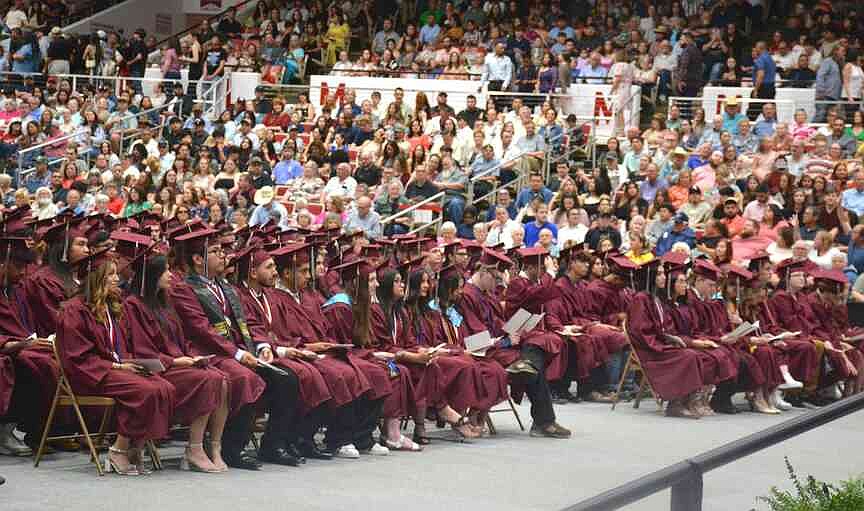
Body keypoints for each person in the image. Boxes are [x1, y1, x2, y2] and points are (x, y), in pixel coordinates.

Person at [167, 228, 298, 470]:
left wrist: (261, 346)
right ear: (198, 259)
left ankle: (273, 444)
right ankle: (230, 448)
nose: (224, 256)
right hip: (208, 353)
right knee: (246, 377)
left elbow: (248, 321)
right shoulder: (185, 289)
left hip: (238, 350)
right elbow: (202, 329)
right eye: (216, 252)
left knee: (286, 378)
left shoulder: (227, 288)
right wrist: (237, 353)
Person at [56, 249, 176, 475]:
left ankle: (136, 448)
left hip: (113, 371)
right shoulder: (74, 310)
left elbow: (118, 349)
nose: (116, 278)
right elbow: (78, 358)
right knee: (145, 390)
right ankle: (118, 450)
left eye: (115, 274)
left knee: (164, 386)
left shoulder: (111, 307)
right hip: (88, 375)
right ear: (95, 278)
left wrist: (133, 364)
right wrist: (119, 366)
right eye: (110, 274)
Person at [123, 253, 229, 473]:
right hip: (158, 369)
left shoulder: (165, 304)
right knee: (208, 379)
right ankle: (195, 449)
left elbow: (183, 341)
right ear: (151, 275)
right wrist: (176, 361)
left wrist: (193, 356)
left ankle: (209, 448)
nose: (171, 275)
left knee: (221, 378)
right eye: (165, 270)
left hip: (179, 365)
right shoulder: (133, 305)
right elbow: (142, 350)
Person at [456, 250, 571, 438]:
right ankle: (544, 421)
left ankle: (544, 421)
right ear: (484, 272)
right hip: (481, 350)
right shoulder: (468, 296)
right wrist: (507, 340)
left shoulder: (486, 293)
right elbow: (473, 338)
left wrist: (512, 330)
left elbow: (498, 323)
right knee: (532, 365)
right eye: (496, 280)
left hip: (499, 344)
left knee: (533, 360)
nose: (498, 286)